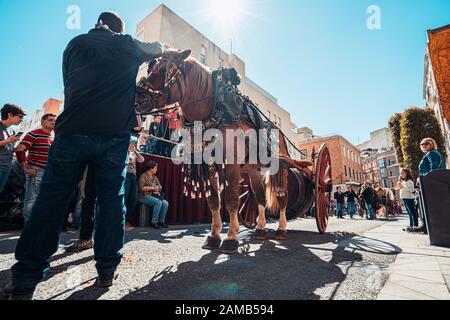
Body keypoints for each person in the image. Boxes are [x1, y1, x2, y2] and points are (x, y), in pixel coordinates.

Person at [0, 12, 165, 300]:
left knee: (51, 200)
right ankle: (106, 270)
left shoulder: (75, 43)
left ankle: (25, 278)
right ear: (118, 30)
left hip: (73, 130)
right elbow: (159, 47)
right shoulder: (127, 44)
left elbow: (69, 83)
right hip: (114, 135)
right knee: (111, 201)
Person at [15, 114, 56, 223]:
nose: (53, 122)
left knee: (45, 201)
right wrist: (25, 168)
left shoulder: (54, 136)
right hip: (36, 171)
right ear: (42, 122)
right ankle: (28, 228)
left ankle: (38, 228)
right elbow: (20, 149)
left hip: (50, 173)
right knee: (32, 201)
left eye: (54, 121)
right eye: (50, 120)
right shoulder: (34, 134)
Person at [0, 104, 26, 193]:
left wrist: (16, 149)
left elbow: (7, 148)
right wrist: (7, 141)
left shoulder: (12, 131)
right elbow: (6, 143)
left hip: (7, 166)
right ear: (10, 115)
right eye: (20, 117)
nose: (22, 120)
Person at [139, 161, 169, 229]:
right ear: (151, 168)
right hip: (144, 196)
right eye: (155, 168)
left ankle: (161, 221)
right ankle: (154, 222)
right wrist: (152, 188)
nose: (156, 169)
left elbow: (160, 186)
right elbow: (142, 188)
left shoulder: (155, 177)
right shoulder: (143, 176)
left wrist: (158, 188)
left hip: (154, 195)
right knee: (158, 202)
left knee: (165, 203)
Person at [125, 142, 145, 228]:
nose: (131, 146)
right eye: (130, 144)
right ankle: (122, 221)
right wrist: (128, 150)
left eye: (133, 145)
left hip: (133, 176)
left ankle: (127, 221)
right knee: (124, 198)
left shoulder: (134, 153)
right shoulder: (124, 151)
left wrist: (135, 151)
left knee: (134, 199)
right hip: (125, 175)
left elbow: (141, 160)